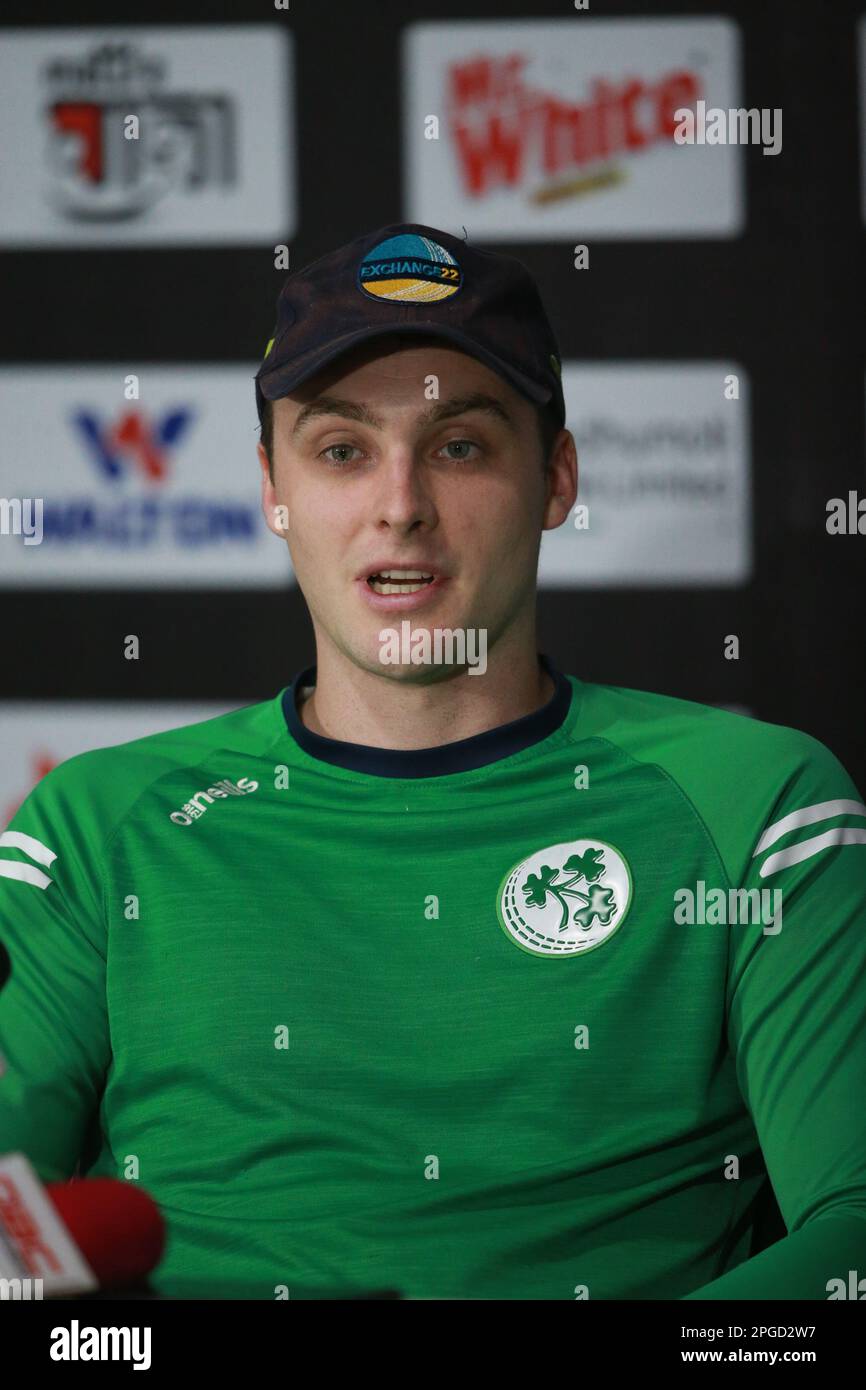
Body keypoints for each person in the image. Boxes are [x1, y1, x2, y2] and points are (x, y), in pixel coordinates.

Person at [1, 223, 864, 1300]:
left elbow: (854, 1235)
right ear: (272, 489)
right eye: (341, 450)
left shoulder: (758, 807)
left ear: (554, 478)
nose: (400, 505)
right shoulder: (89, 830)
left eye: (458, 445)